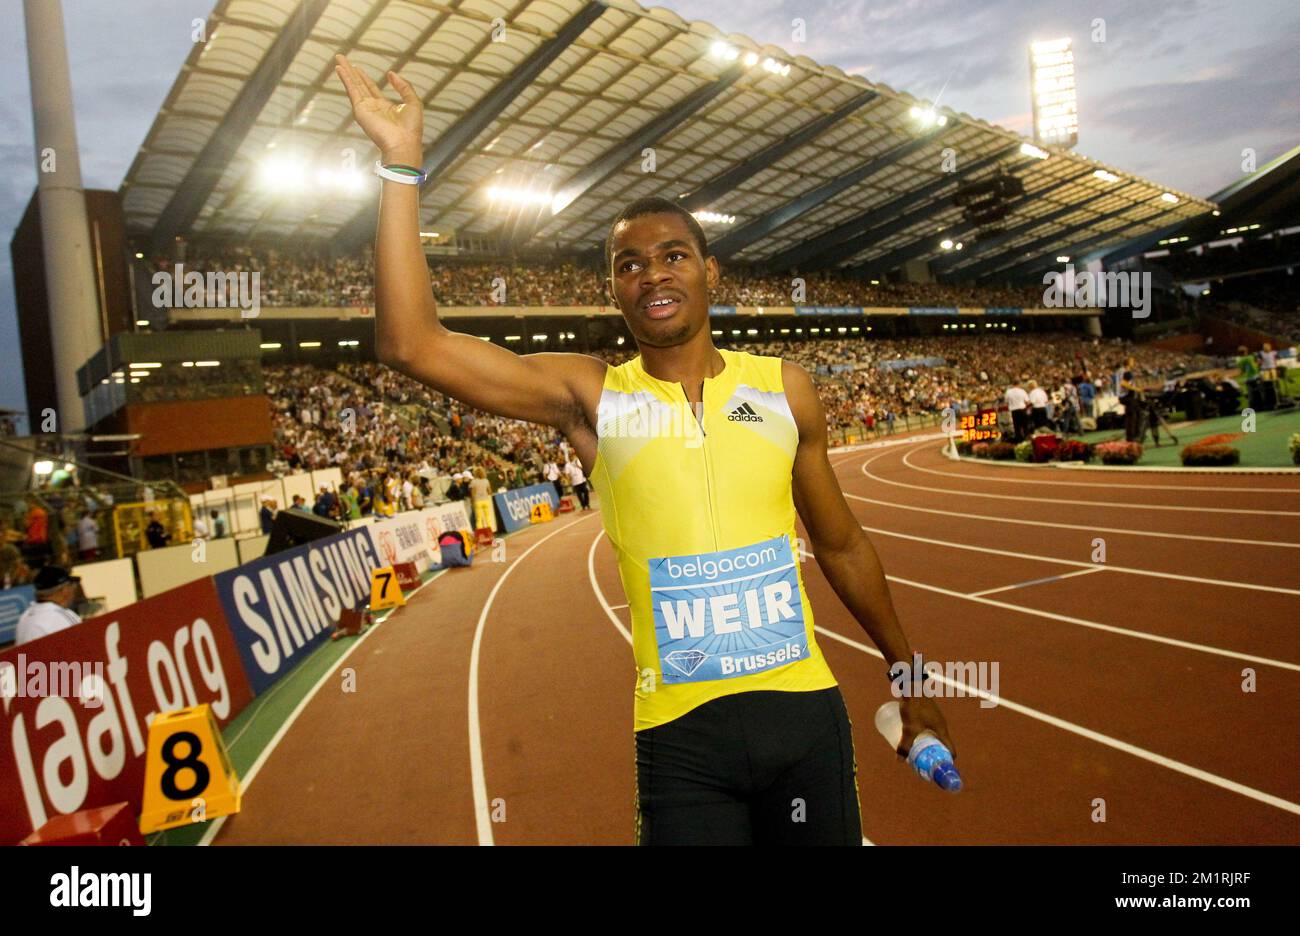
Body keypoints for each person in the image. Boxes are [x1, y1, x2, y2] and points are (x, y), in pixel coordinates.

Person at [336, 57, 952, 845]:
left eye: (672, 255)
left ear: (709, 271)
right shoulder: (593, 398)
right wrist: (399, 163)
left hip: (806, 719)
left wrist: (908, 674)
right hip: (681, 740)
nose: (652, 274)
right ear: (613, 291)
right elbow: (410, 343)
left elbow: (841, 542)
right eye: (629, 265)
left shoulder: (787, 390)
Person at [14, 565, 83, 646]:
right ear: (64, 590)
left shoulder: (24, 617)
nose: (73, 590)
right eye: (71, 586)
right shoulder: (62, 616)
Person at [1119, 356, 1141, 442]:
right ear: (1128, 363)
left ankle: (1131, 436)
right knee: (1134, 416)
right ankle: (1133, 436)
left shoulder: (1120, 371)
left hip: (1123, 396)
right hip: (1128, 397)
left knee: (1131, 416)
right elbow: (1123, 384)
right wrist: (1136, 389)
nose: (1133, 362)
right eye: (1132, 361)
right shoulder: (1127, 372)